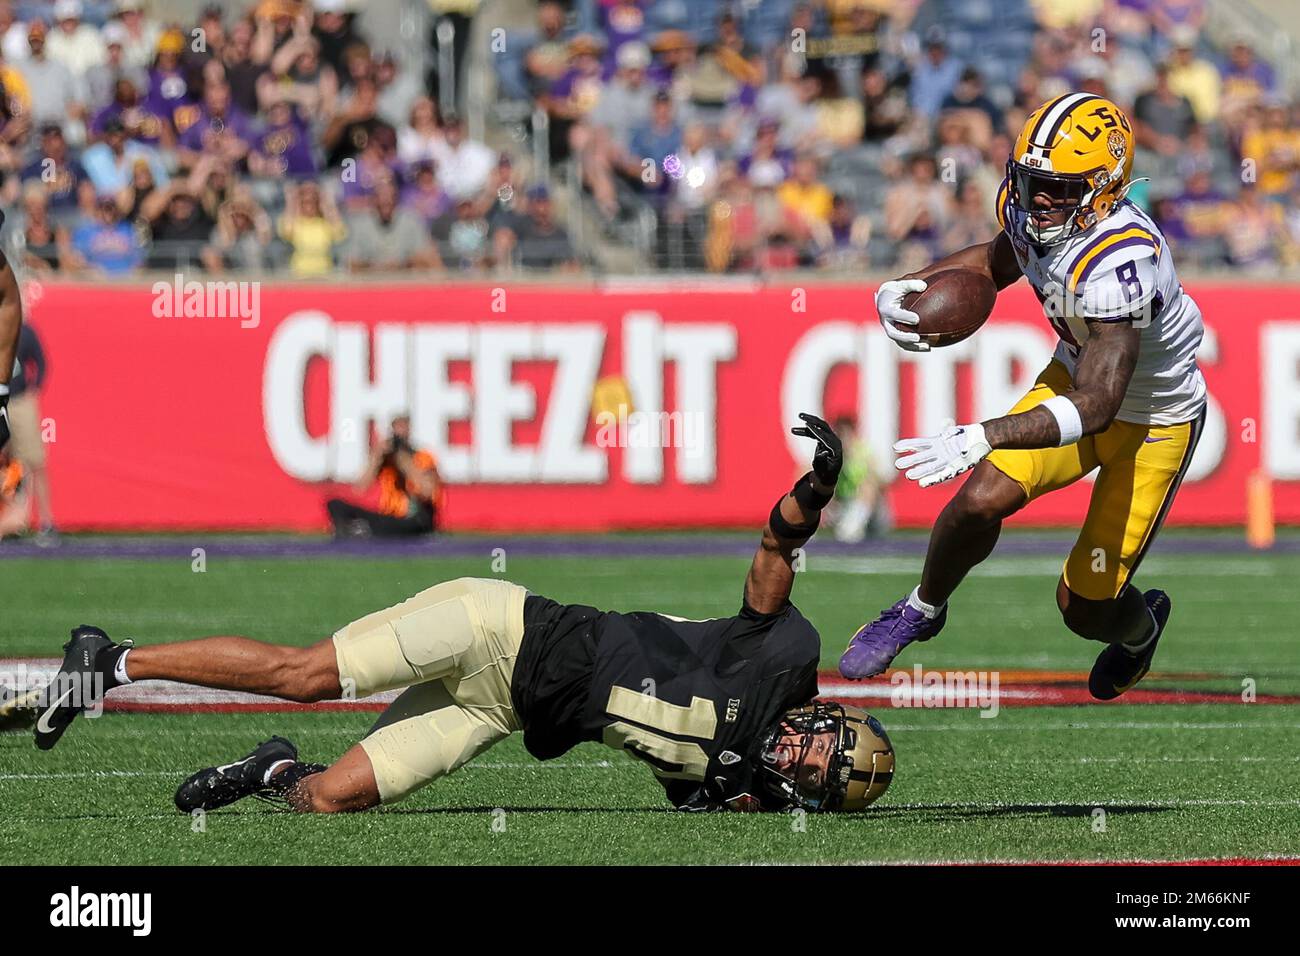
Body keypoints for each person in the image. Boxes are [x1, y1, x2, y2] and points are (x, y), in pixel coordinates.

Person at [34, 414, 896, 816]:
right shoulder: (784, 654)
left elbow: (706, 784)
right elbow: (774, 554)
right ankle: (108, 659)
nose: (811, 756)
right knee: (302, 676)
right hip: (499, 627)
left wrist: (752, 797)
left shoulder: (729, 785)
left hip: (500, 709)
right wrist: (816, 486)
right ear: (824, 713)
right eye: (828, 745)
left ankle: (269, 770)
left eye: (823, 772)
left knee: (325, 801)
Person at [844, 94, 1206, 702]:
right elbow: (993, 262)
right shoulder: (1035, 212)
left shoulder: (1124, 261)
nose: (1038, 200)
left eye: (1059, 189)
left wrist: (984, 433)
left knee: (1084, 609)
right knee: (979, 500)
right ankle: (921, 609)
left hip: (1153, 421)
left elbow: (1098, 405)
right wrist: (911, 283)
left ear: (1106, 189)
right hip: (1077, 379)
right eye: (1032, 181)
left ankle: (1141, 632)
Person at [325, 415, 442, 538]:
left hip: (414, 516)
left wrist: (404, 462)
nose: (399, 433)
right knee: (335, 504)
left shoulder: (423, 456)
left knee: (401, 524)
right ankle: (362, 529)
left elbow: (427, 491)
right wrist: (376, 457)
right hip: (389, 515)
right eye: (396, 427)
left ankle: (362, 530)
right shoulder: (387, 460)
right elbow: (360, 487)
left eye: (403, 426)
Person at [4, 322, 54, 542]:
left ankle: (46, 522)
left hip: (19, 400)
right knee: (12, 464)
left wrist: (33, 391)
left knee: (34, 461)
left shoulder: (23, 331)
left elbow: (41, 362)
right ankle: (15, 520)